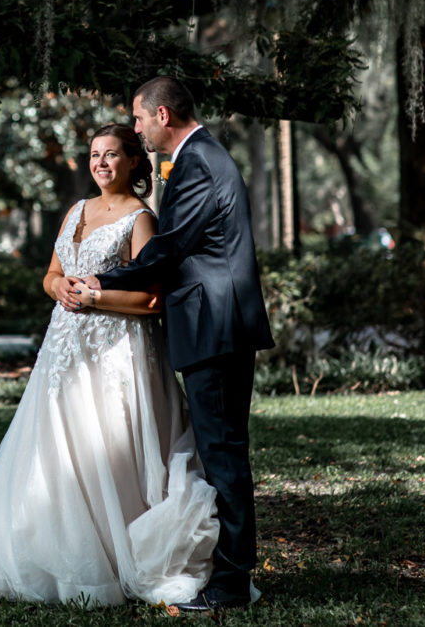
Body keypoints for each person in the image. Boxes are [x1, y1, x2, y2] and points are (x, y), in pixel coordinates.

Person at [0, 124, 222, 607]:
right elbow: (52, 274)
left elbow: (152, 298)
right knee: (59, 446)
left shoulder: (140, 218)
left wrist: (95, 297)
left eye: (112, 155)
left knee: (108, 443)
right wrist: (60, 290)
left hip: (117, 349)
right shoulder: (76, 210)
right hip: (64, 348)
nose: (101, 163)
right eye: (95, 155)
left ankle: (119, 559)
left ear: (133, 161)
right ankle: (58, 554)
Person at [82, 76, 274, 613]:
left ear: (162, 115)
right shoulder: (202, 158)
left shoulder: (198, 163)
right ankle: (228, 574)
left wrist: (105, 280)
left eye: (139, 120)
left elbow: (171, 246)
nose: (137, 129)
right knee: (223, 450)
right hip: (219, 324)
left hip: (214, 326)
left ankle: (231, 585)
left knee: (223, 454)